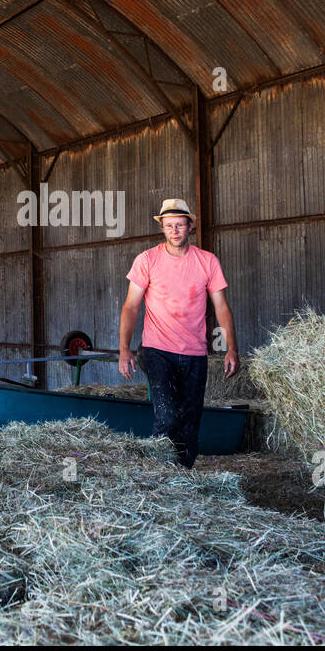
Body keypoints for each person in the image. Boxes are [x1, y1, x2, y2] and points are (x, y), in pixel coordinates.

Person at [118, 198, 239, 468]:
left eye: (180, 225)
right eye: (169, 225)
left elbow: (221, 307)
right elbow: (130, 306)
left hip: (194, 353)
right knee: (168, 415)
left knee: (190, 420)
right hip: (156, 350)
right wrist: (124, 349)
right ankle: (158, 473)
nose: (174, 230)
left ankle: (183, 477)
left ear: (190, 226)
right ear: (162, 227)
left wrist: (231, 347)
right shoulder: (147, 260)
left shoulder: (207, 262)